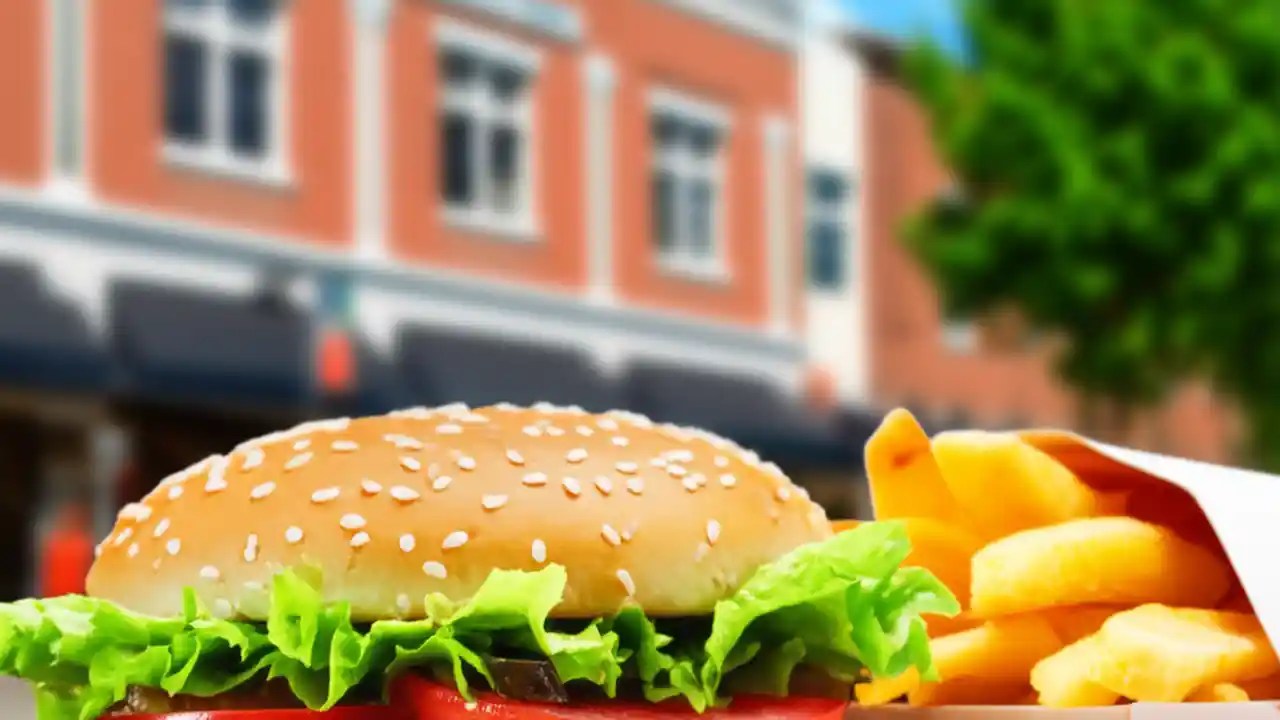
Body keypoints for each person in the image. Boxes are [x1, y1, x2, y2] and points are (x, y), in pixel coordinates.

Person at [39, 503, 93, 598]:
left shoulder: (83, 543)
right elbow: (47, 574)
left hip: (74, 596)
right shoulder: (55, 543)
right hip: (56, 595)